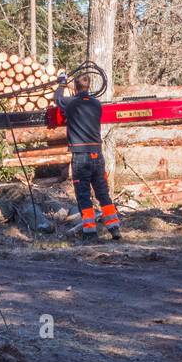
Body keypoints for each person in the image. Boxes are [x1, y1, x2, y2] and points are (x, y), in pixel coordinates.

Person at [53, 72, 121, 240]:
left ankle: (89, 231)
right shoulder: (97, 104)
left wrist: (61, 83)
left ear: (75, 87)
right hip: (97, 155)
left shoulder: (71, 104)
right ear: (89, 86)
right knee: (103, 193)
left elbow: (57, 99)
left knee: (83, 194)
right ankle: (114, 228)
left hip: (80, 156)